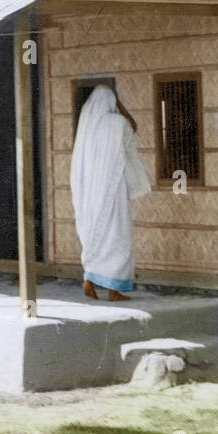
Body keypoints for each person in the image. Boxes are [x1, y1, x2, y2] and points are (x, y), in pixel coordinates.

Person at [70, 85, 151, 301]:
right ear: (110, 101)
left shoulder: (86, 129)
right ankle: (114, 291)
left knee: (95, 237)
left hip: (90, 197)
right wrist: (119, 104)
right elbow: (133, 126)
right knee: (117, 237)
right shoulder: (116, 123)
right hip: (113, 193)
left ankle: (89, 279)